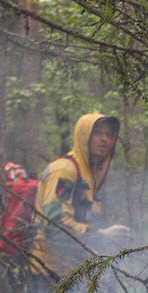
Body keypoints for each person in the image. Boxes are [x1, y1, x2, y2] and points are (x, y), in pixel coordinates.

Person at [31, 111, 129, 281]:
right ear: (84, 136)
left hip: (68, 269)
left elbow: (81, 219)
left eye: (108, 134)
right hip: (45, 271)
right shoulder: (65, 170)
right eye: (97, 133)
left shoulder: (90, 174)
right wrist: (101, 235)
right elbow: (56, 224)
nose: (105, 139)